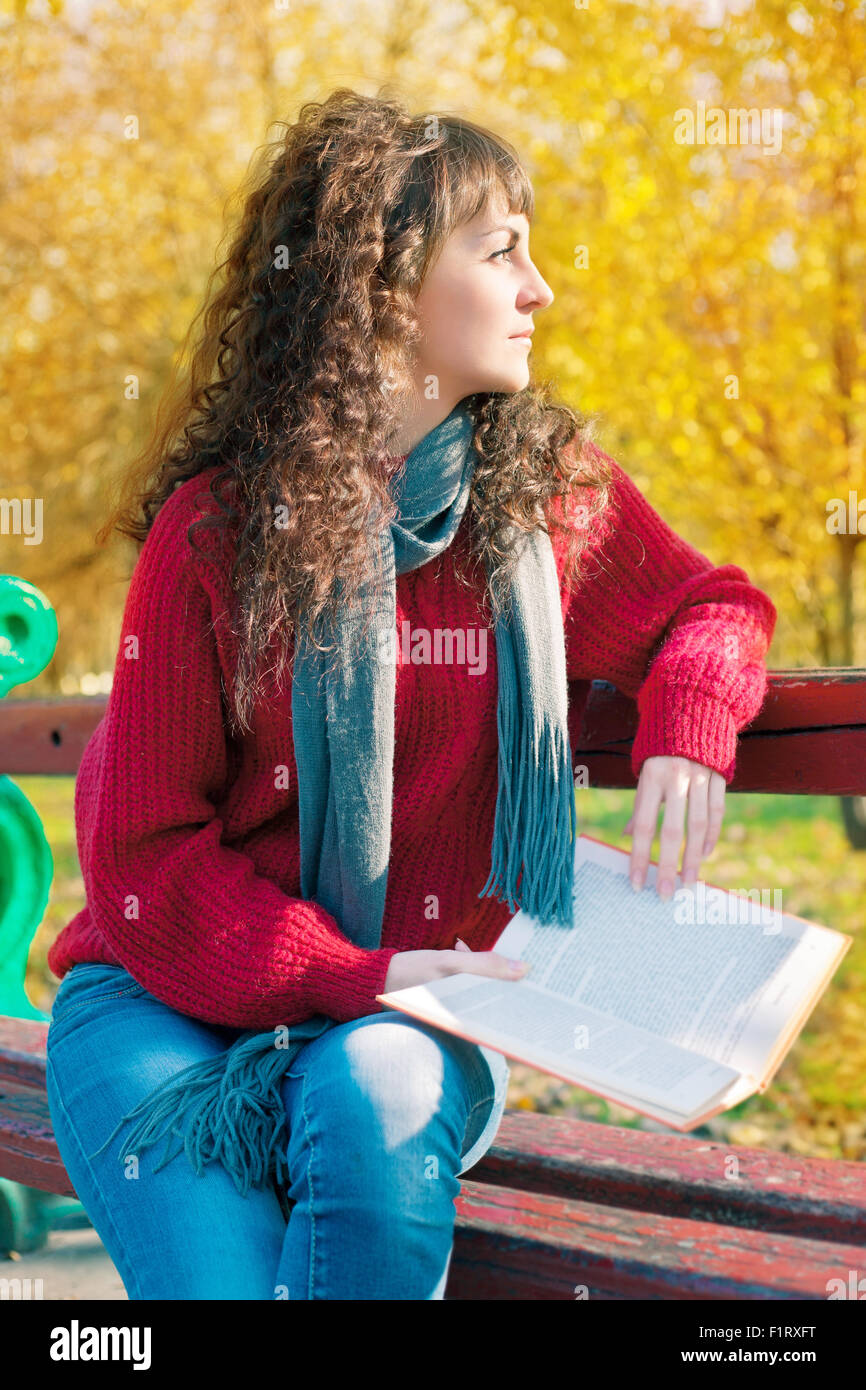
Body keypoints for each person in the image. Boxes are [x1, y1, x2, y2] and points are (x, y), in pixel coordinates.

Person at [45, 88, 777, 1301]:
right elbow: (140, 854)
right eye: (501, 253)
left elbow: (713, 609)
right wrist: (351, 969)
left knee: (374, 1086)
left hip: (417, 1018)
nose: (539, 288)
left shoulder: (545, 500)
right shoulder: (219, 532)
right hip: (168, 1002)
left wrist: (686, 727)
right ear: (384, 287)